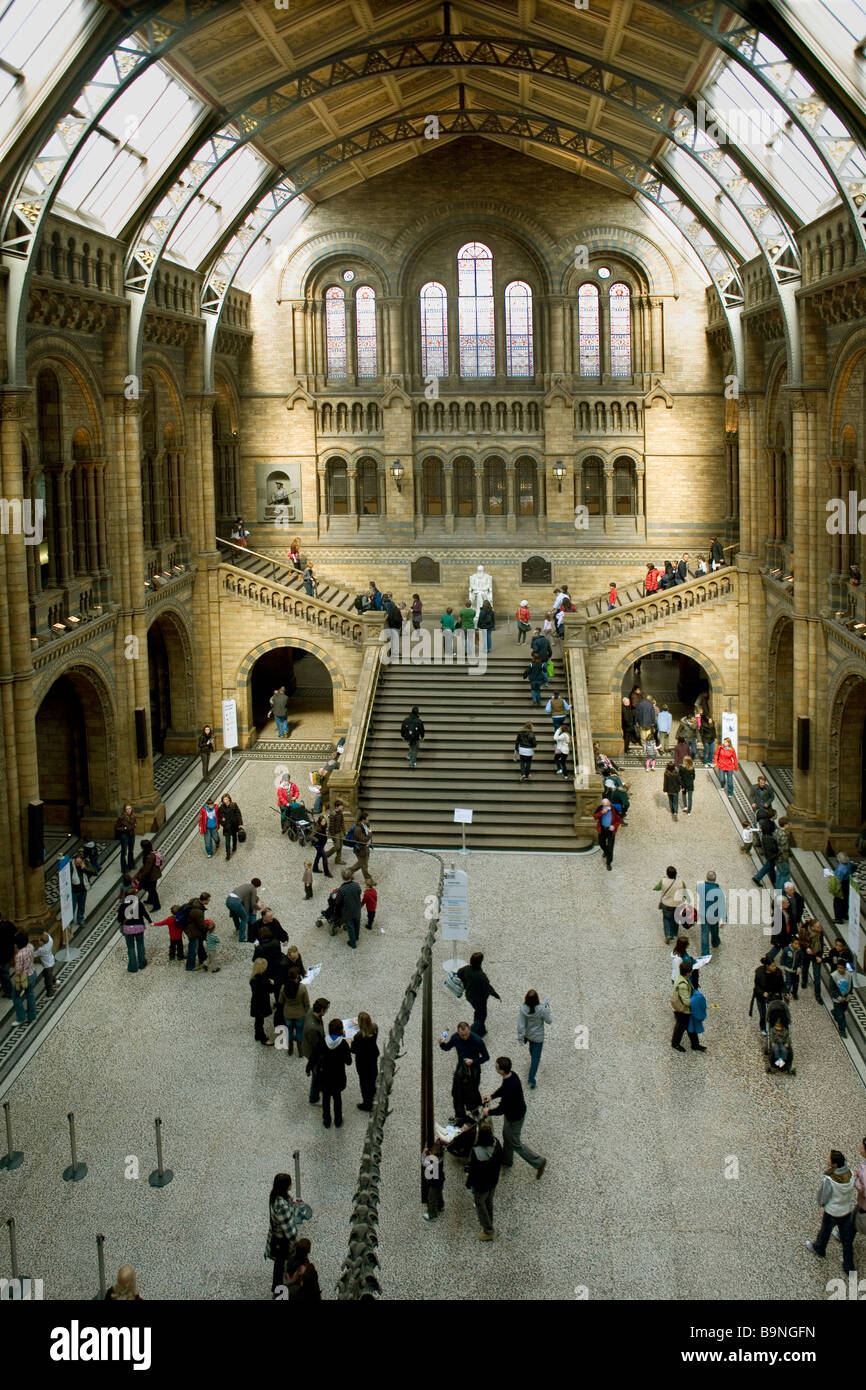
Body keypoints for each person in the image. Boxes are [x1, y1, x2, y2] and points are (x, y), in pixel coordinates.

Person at [484, 1057, 546, 1177]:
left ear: (502, 1070)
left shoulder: (509, 1087)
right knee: (507, 1135)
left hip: (515, 1117)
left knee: (515, 1143)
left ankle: (539, 1162)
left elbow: (501, 1109)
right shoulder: (512, 1076)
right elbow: (503, 1089)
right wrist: (492, 1096)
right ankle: (507, 1160)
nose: (495, 1067)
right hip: (513, 1113)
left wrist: (488, 1112)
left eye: (496, 1066)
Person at [806, 1150, 858, 1275]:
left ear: (833, 1163)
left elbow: (824, 1195)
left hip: (832, 1211)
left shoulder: (830, 1179)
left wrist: (822, 1203)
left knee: (825, 1230)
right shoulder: (850, 1174)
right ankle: (849, 1266)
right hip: (846, 1210)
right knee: (846, 1240)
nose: (826, 1159)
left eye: (828, 1158)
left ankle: (819, 1248)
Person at [440, 1022, 489, 1123]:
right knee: (456, 1092)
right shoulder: (455, 1037)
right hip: (461, 1068)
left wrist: (473, 1061)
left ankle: (474, 1112)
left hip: (473, 1070)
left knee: (472, 1093)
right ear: (458, 1032)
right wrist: (441, 1043)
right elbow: (447, 1047)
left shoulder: (477, 1040)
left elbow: (486, 1057)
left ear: (469, 1030)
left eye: (466, 1034)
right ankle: (460, 1115)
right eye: (462, 1035)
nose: (465, 1037)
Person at [466, 1120, 503, 1242]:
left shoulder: (477, 1152)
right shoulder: (496, 1143)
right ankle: (490, 1221)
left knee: (480, 1203)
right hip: (493, 1181)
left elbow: (473, 1171)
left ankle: (488, 1230)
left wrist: (469, 1183)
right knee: (489, 1202)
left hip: (482, 1185)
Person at [313, 1018, 352, 1128]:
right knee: (337, 1099)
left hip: (324, 1077)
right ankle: (338, 1120)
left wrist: (308, 1068)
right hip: (338, 1077)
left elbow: (314, 1056)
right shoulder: (343, 1044)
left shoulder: (322, 1042)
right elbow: (349, 1062)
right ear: (341, 1031)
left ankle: (327, 1121)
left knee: (326, 1100)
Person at [265, 1173, 300, 1295]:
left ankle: (277, 1290)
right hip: (283, 1243)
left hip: (277, 1240)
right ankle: (281, 1293)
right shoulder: (281, 1205)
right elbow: (289, 1230)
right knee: (283, 1268)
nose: (292, 1185)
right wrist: (297, 1242)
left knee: (279, 1266)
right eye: (290, 1183)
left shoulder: (276, 1197)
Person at [457, 952, 501, 1037]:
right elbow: (487, 988)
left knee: (478, 1013)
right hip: (480, 1000)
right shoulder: (481, 976)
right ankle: (469, 1034)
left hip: (469, 996)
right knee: (481, 1016)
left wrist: (465, 984)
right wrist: (496, 995)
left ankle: (482, 1030)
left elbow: (459, 973)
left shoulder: (466, 969)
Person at [518, 989, 552, 1089]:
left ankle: (533, 1058)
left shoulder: (523, 1009)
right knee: (535, 1059)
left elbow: (521, 1025)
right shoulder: (542, 1009)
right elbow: (549, 1021)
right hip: (538, 1037)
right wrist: (547, 1008)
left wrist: (520, 1038)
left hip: (528, 1035)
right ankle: (531, 1080)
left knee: (532, 1050)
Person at [117, 883, 150, 975]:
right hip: (139, 927)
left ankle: (133, 967)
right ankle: (142, 963)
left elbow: (119, 919)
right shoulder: (139, 904)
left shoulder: (122, 906)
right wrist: (150, 921)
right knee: (140, 945)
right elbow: (145, 913)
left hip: (128, 929)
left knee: (131, 947)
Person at [671, 961, 704, 1051]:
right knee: (680, 1028)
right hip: (683, 1011)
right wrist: (697, 1001)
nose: (691, 972)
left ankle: (695, 1044)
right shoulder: (683, 985)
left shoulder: (681, 978)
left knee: (689, 1027)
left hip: (685, 1011)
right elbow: (686, 1001)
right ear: (687, 972)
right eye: (690, 971)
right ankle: (675, 1043)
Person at [303, 997, 330, 1104]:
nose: (327, 1011)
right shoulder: (313, 1029)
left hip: (310, 1047)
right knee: (316, 1074)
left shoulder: (310, 1011)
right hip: (314, 1054)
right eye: (326, 1009)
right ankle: (313, 1097)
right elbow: (317, 1047)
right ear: (322, 1010)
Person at [279, 966, 310, 1056]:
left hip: (288, 1013)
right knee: (299, 1032)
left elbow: (280, 1001)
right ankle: (300, 1051)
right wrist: (306, 1013)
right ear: (297, 976)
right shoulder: (302, 988)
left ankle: (290, 1049)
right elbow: (307, 1003)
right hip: (300, 1014)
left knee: (289, 1031)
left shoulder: (283, 987)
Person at [352, 1011, 379, 1110]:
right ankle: (374, 1096)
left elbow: (354, 1050)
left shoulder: (358, 1037)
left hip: (362, 1062)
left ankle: (367, 1104)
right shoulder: (375, 1028)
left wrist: (351, 1042)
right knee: (372, 1078)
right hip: (372, 1058)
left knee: (364, 1082)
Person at [10, 930, 37, 1025]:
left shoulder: (19, 955)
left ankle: (21, 1018)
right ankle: (32, 1017)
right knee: (30, 995)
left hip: (23, 978)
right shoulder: (30, 946)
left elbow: (18, 971)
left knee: (15, 996)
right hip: (32, 973)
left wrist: (16, 981)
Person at [752, 956, 785, 1033]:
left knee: (775, 1013)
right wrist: (763, 993)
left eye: (775, 965)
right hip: (761, 996)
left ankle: (773, 1027)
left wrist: (785, 992)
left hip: (774, 995)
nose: (775, 967)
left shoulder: (778, 972)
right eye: (772, 966)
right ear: (767, 966)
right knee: (763, 1014)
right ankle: (763, 1027)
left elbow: (782, 984)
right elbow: (757, 987)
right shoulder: (759, 973)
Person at [696, 871, 725, 955]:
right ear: (715, 879)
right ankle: (715, 942)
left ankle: (705, 955)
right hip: (714, 915)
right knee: (714, 930)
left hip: (703, 913)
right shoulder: (718, 891)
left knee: (704, 933)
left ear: (706, 878)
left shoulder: (700, 886)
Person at [225, 878, 261, 943]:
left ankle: (238, 927)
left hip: (228, 899)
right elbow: (253, 903)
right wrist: (259, 908)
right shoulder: (253, 889)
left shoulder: (245, 885)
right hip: (236, 902)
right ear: (257, 886)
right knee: (244, 918)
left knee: (235, 915)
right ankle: (242, 938)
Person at [182, 892, 212, 971]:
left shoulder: (194, 901)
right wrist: (209, 926)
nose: (209, 901)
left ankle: (202, 959)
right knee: (192, 949)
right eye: (208, 900)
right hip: (192, 932)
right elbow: (202, 926)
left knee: (199, 944)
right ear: (205, 900)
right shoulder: (198, 912)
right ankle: (190, 966)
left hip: (189, 928)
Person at [658, 867, 687, 944]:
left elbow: (656, 888)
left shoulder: (663, 881)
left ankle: (668, 934)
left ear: (667, 874)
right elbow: (685, 892)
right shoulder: (681, 882)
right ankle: (674, 933)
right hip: (677, 904)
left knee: (666, 919)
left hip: (666, 904)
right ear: (676, 874)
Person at [335, 868, 362, 949]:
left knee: (350, 927)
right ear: (351, 876)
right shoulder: (356, 885)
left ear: (343, 878)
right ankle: (356, 936)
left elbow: (338, 901)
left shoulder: (342, 889)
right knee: (357, 924)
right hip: (357, 909)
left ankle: (352, 943)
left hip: (348, 912)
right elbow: (359, 892)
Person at [250, 958, 274, 1046]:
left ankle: (257, 1035)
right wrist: (271, 983)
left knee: (258, 1020)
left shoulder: (253, 978)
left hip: (256, 1002)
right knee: (260, 1021)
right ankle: (263, 1038)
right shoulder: (263, 981)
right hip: (262, 1003)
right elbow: (270, 990)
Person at [594, 798, 621, 870]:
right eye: (604, 805)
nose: (606, 806)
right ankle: (606, 852)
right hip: (602, 829)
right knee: (601, 843)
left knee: (610, 847)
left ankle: (608, 863)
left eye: (607, 804)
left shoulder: (614, 809)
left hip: (611, 831)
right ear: (602, 804)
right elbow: (595, 817)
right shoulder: (600, 808)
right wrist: (602, 812)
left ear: (609, 803)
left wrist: (614, 826)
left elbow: (619, 820)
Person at [801, 918, 825, 1001]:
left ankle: (818, 995)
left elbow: (822, 943)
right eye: (818, 927)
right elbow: (801, 941)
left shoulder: (820, 932)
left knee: (817, 976)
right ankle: (804, 981)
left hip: (817, 955)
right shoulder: (804, 930)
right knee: (805, 968)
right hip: (806, 954)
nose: (820, 928)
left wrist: (820, 955)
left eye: (820, 926)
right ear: (812, 927)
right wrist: (807, 948)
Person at [422, 1140, 446, 1221]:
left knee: (431, 1198)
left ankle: (432, 1214)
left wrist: (423, 1155)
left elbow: (424, 1164)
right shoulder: (440, 1159)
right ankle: (441, 1206)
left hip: (434, 1183)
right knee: (439, 1194)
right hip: (440, 1181)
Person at [829, 959, 853, 1039]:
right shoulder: (834, 975)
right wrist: (838, 997)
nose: (840, 969)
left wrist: (849, 995)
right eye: (838, 967)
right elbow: (832, 988)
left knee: (843, 1011)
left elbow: (851, 985)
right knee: (841, 1016)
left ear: (845, 968)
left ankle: (834, 1012)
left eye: (841, 968)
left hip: (845, 998)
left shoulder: (849, 975)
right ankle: (842, 1030)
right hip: (837, 999)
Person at [345, 813, 373, 883]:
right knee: (364, 866)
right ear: (363, 820)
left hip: (366, 848)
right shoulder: (358, 829)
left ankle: (348, 871)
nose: (369, 820)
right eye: (367, 819)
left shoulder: (366, 825)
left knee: (362, 863)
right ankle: (368, 880)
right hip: (361, 850)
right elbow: (363, 840)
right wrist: (370, 833)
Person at [218, 793, 244, 861]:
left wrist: (240, 823)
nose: (225, 801)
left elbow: (238, 814)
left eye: (226, 799)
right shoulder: (221, 808)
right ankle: (228, 854)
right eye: (224, 799)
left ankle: (234, 846)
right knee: (227, 841)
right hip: (226, 827)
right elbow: (219, 818)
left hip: (234, 825)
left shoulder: (234, 805)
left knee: (234, 837)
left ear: (229, 799)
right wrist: (223, 822)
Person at [113, 804, 137, 877]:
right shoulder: (121, 818)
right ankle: (124, 868)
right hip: (124, 835)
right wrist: (125, 829)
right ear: (125, 810)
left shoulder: (133, 816)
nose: (129, 810)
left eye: (130, 808)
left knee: (131, 850)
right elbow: (116, 827)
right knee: (124, 852)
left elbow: (135, 822)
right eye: (127, 809)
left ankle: (131, 864)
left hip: (131, 834)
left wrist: (135, 825)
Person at [136, 840, 161, 911]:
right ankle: (150, 900)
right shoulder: (151, 852)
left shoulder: (149, 857)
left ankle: (157, 905)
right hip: (154, 874)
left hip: (152, 876)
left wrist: (141, 876)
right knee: (150, 889)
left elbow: (147, 869)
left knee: (152, 891)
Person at [69, 853, 92, 925]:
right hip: (74, 891)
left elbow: (94, 872)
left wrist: (84, 868)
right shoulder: (71, 867)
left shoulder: (85, 864)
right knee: (72, 907)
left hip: (83, 889)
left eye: (79, 863)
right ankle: (70, 921)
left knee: (81, 905)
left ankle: (80, 919)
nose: (78, 864)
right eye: (76, 863)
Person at [34, 930, 57, 996]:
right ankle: (55, 982)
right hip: (51, 961)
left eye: (39, 941)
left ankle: (50, 994)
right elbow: (46, 934)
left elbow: (34, 955)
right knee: (50, 975)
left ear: (43, 942)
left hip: (47, 965)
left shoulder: (42, 950)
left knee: (47, 981)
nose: (38, 942)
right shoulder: (50, 939)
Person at [831, 852, 852, 924]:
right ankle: (844, 915)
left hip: (841, 884)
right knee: (845, 900)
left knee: (838, 901)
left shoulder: (841, 869)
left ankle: (838, 918)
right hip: (847, 883)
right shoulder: (849, 864)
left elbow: (838, 880)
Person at [688, 982, 707, 1050]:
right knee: (689, 1029)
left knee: (687, 1029)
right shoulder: (697, 998)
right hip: (686, 1012)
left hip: (684, 1011)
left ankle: (695, 1045)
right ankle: (695, 1045)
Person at [326, 799, 346, 865]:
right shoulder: (333, 814)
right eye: (341, 806)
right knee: (337, 846)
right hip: (335, 833)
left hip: (340, 832)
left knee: (340, 846)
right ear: (337, 807)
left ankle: (338, 860)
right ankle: (326, 854)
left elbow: (342, 823)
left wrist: (344, 832)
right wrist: (333, 836)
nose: (342, 807)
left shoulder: (341, 812)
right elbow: (331, 826)